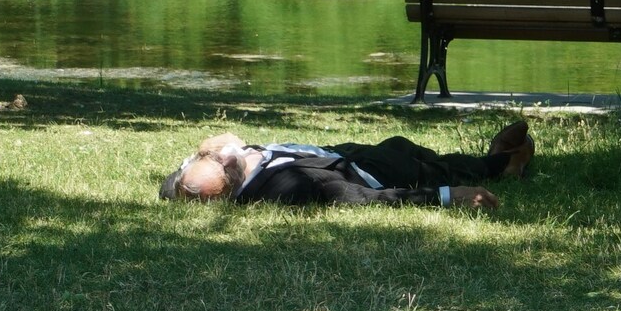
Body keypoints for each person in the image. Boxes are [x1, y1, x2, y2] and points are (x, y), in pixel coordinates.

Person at [159, 120, 536, 209]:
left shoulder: (217, 165)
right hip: (366, 171)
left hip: (337, 150)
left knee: (400, 143)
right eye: (225, 163)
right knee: (422, 164)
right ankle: (501, 164)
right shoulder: (287, 187)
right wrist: (444, 197)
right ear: (235, 180)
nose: (225, 152)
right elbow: (356, 195)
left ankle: (497, 161)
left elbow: (174, 183)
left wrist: (204, 155)